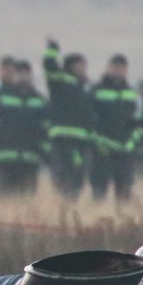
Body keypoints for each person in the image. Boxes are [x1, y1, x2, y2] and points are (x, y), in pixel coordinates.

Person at [0, 57, 50, 198]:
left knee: (27, 203)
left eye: (26, 73)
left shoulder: (39, 100)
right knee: (6, 201)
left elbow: (45, 131)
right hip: (4, 160)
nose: (22, 77)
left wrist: (48, 154)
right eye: (19, 73)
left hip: (30, 161)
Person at [40, 39, 96, 200]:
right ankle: (62, 204)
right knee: (61, 177)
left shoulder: (86, 88)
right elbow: (49, 67)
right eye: (80, 65)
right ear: (71, 66)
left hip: (82, 142)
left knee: (77, 179)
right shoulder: (59, 82)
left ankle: (71, 205)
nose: (84, 69)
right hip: (62, 139)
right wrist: (52, 50)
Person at [88, 54, 143, 202]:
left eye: (121, 67)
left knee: (125, 191)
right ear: (108, 68)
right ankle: (95, 219)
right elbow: (89, 119)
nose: (117, 70)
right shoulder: (96, 91)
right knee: (99, 189)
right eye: (114, 66)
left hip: (126, 149)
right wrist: (96, 142)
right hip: (102, 148)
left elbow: (138, 121)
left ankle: (123, 221)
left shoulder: (132, 93)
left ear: (126, 70)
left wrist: (134, 142)